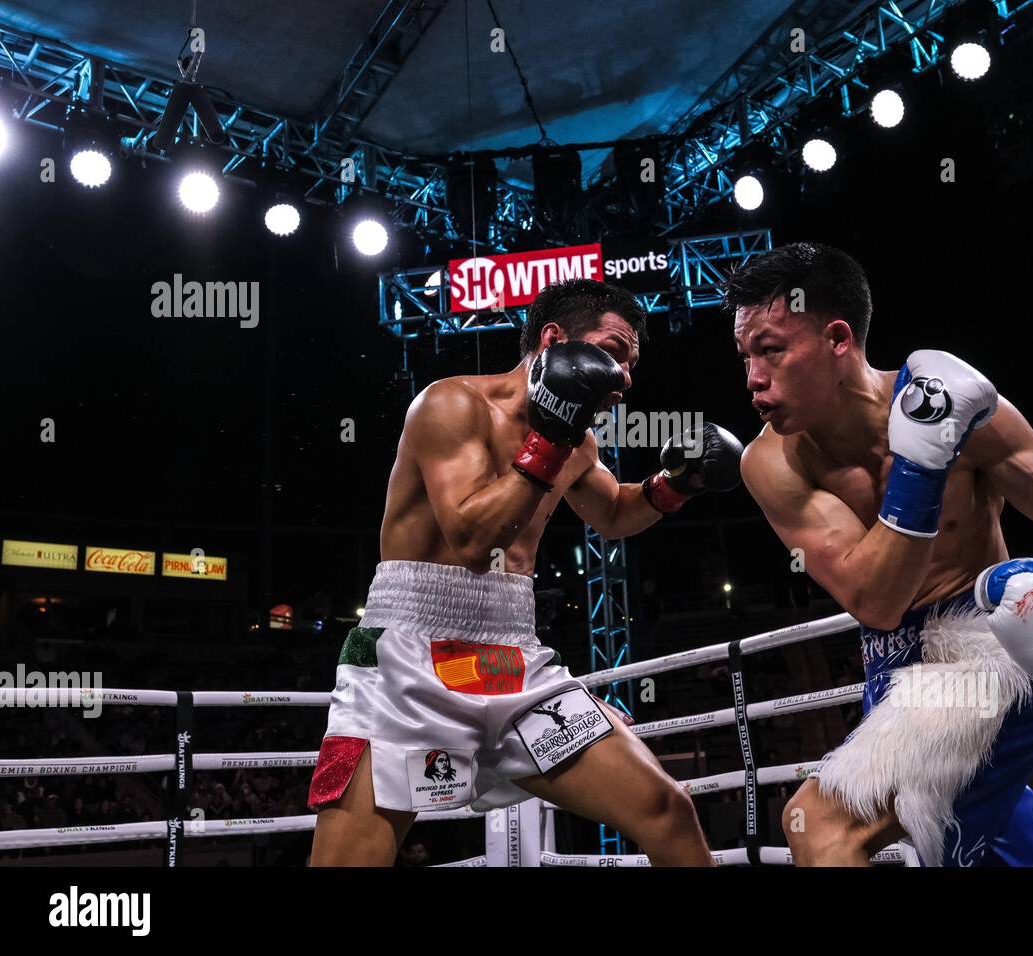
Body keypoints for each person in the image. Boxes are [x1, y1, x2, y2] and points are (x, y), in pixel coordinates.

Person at [309, 278, 742, 866]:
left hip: (509, 661)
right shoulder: (451, 404)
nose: (625, 380)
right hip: (404, 658)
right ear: (553, 340)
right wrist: (551, 438)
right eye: (613, 352)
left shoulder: (578, 442)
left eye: (632, 364)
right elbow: (471, 538)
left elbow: (613, 513)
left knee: (668, 812)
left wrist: (676, 486)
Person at [728, 242, 1033, 866]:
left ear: (838, 338)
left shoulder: (959, 406)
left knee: (820, 826)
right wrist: (923, 464)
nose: (753, 378)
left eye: (771, 350)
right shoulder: (771, 463)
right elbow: (876, 600)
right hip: (886, 674)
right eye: (745, 356)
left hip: (980, 665)